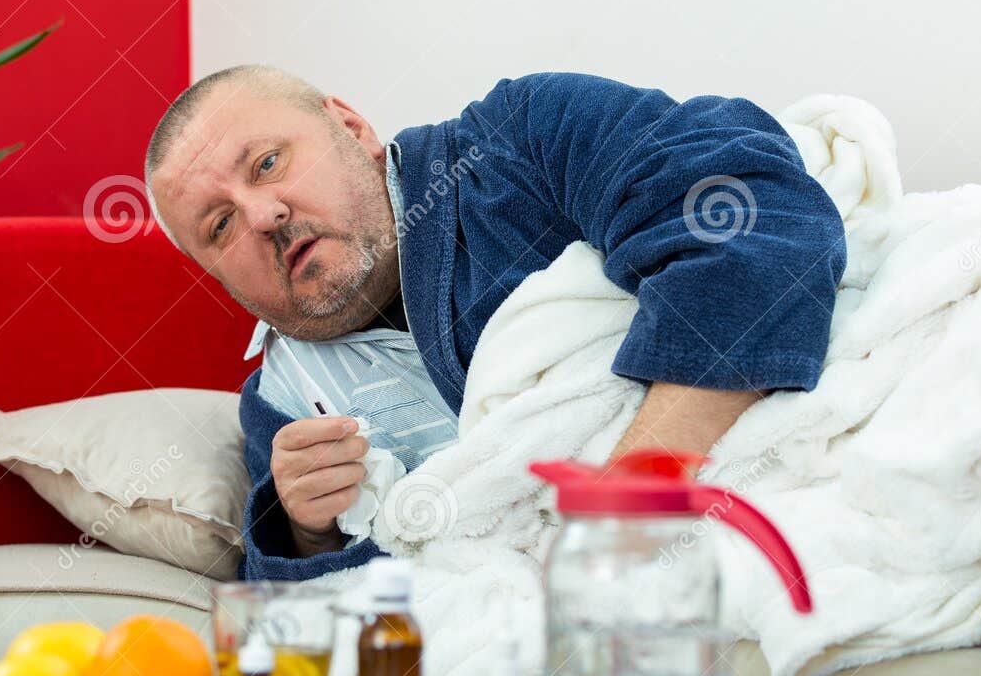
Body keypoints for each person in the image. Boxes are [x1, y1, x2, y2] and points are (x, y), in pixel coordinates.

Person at [144, 65, 845, 579]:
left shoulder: (522, 139)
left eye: (268, 163)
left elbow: (758, 212)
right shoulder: (286, 403)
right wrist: (307, 532)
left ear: (351, 128)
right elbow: (318, 637)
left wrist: (630, 491)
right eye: (220, 223)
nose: (264, 215)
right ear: (215, 274)